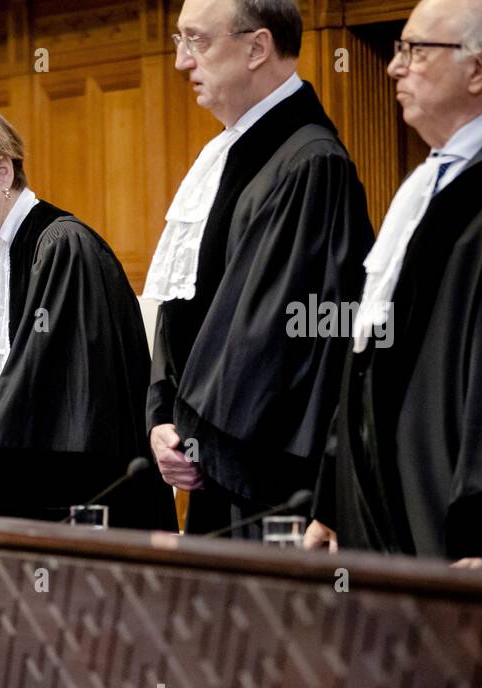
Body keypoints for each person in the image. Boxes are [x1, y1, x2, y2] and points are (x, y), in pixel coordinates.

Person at [307, 0, 482, 563]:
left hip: (459, 534)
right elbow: (368, 353)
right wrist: (333, 498)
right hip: (381, 513)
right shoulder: (422, 189)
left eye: (415, 51)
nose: (395, 67)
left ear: (478, 70)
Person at [144, 0, 373, 536]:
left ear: (257, 47)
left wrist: (193, 429)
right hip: (212, 457)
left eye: (196, 41)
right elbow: (181, 301)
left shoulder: (311, 163)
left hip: (266, 480)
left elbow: (268, 340)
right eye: (179, 40)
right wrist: (162, 420)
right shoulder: (224, 155)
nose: (181, 61)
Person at [0, 104, 175, 525]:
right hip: (11, 500)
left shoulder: (63, 248)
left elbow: (50, 389)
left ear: (2, 173)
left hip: (72, 506)